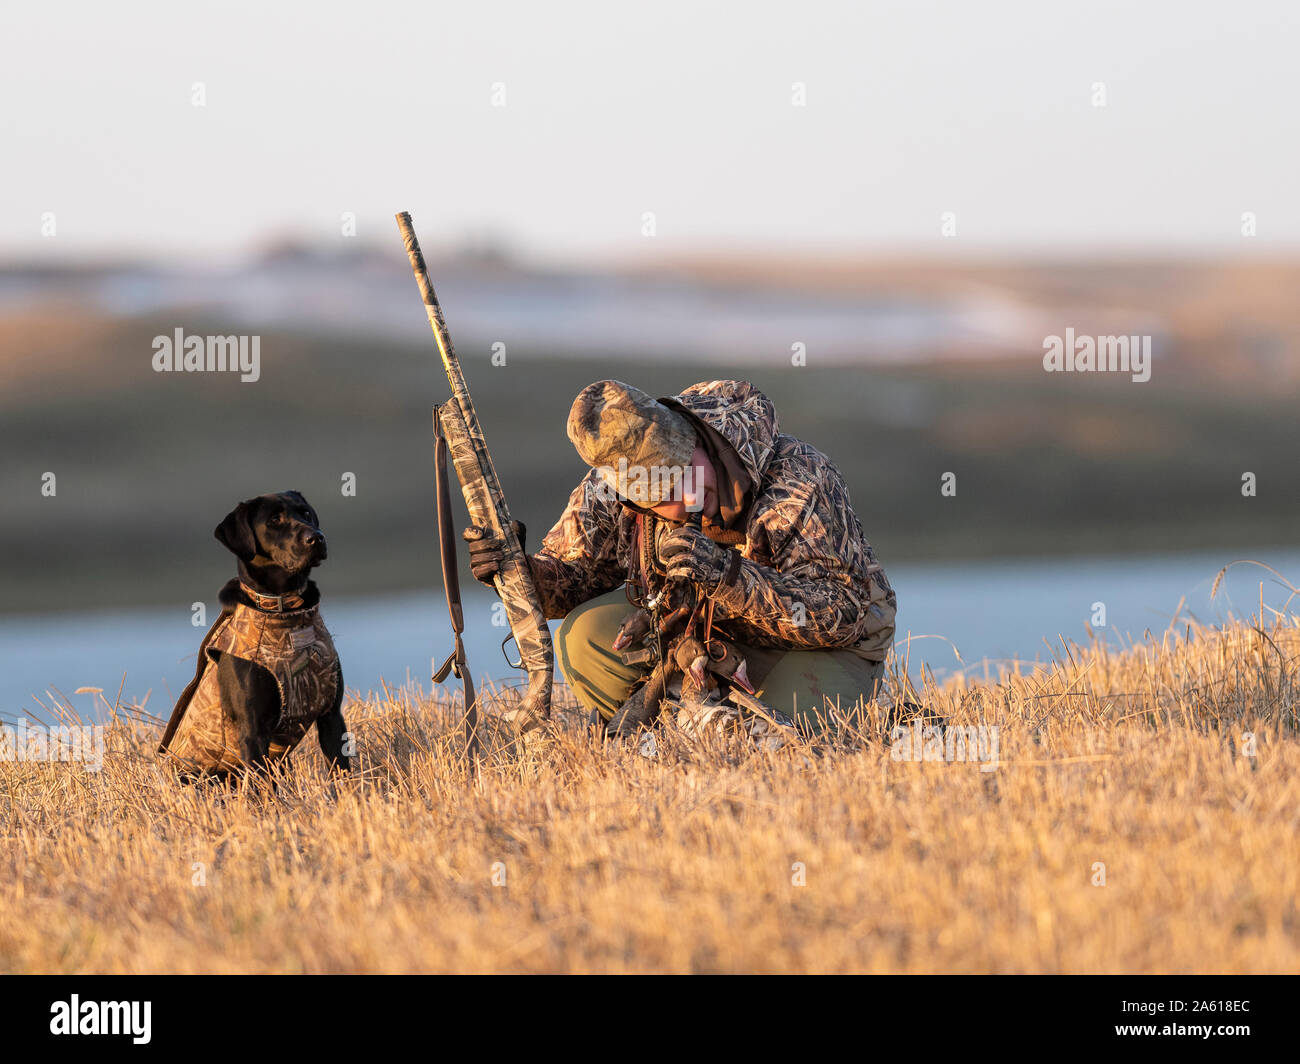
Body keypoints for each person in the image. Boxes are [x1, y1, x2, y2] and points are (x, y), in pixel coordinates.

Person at [466, 379, 896, 733]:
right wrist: (517, 574)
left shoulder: (799, 477)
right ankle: (672, 723)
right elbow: (576, 576)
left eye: (685, 472)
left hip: (819, 648)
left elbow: (841, 614)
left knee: (767, 742)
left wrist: (728, 577)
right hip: (690, 641)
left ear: (695, 441)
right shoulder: (612, 486)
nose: (686, 497)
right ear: (633, 497)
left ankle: (883, 716)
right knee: (584, 637)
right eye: (662, 496)